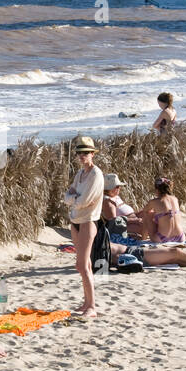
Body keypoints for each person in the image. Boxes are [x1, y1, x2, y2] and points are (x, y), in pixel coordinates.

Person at [64, 136, 104, 318]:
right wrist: (73, 198)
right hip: (76, 221)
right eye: (80, 153)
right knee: (84, 265)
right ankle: (86, 302)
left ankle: (92, 306)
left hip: (88, 221)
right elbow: (68, 196)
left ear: (92, 154)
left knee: (82, 265)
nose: (82, 156)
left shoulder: (96, 174)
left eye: (86, 153)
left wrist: (73, 197)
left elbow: (84, 201)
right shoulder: (80, 174)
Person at [136, 175, 186, 243]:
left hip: (162, 238)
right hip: (180, 237)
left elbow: (145, 210)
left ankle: (143, 238)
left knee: (147, 214)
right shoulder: (175, 199)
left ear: (157, 190)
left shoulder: (154, 202)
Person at [101, 172, 146, 237]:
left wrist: (139, 214)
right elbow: (114, 221)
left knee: (151, 215)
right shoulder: (107, 202)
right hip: (122, 226)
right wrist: (135, 220)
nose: (120, 188)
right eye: (118, 186)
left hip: (130, 221)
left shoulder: (115, 197)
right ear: (111, 189)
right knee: (145, 227)